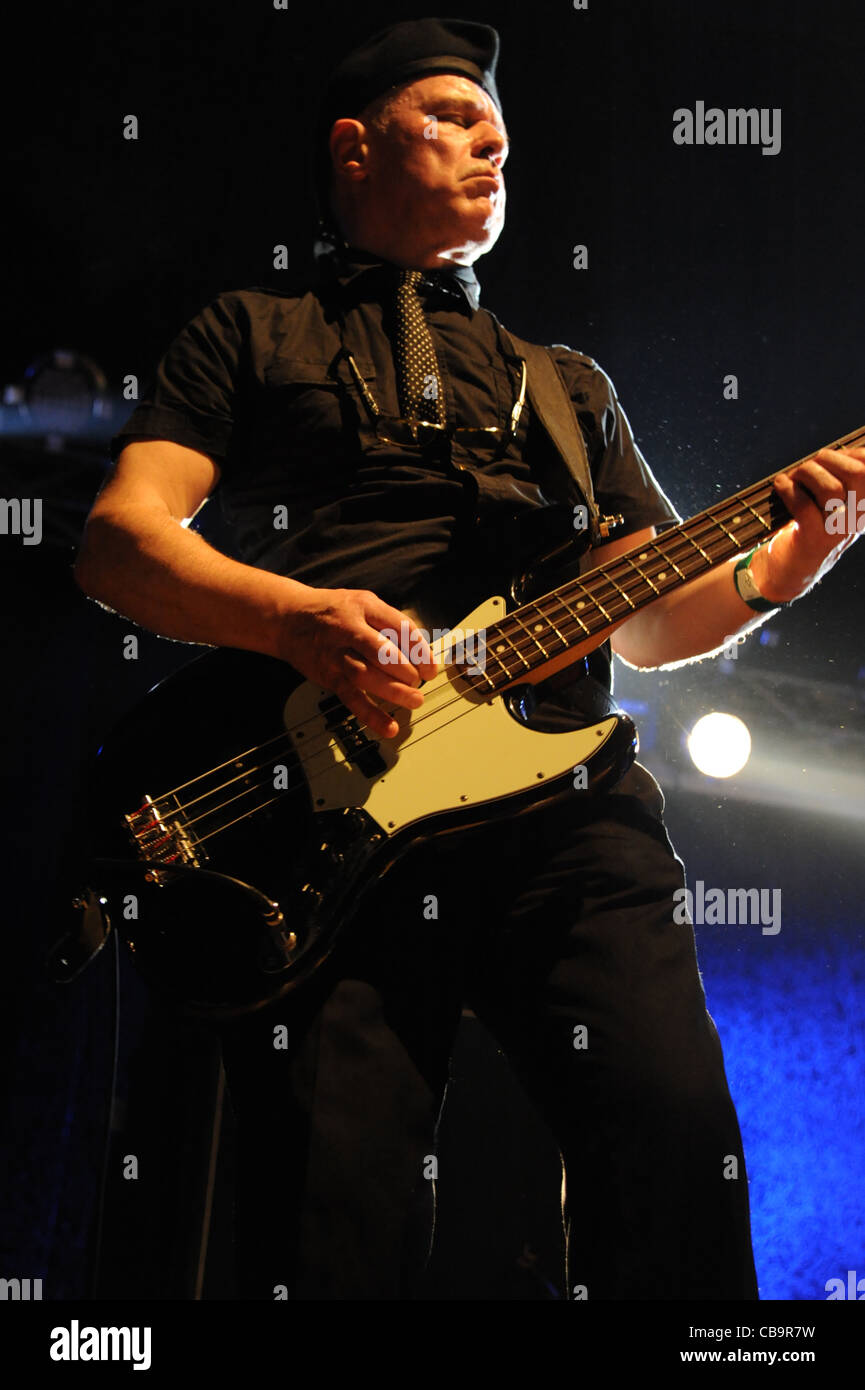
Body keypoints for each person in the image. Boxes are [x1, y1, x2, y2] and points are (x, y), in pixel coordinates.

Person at [74, 18, 863, 1300]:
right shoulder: (250, 329)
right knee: (337, 1208)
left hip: (566, 814)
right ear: (353, 147)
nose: (494, 140)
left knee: (674, 1139)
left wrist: (789, 561)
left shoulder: (567, 385)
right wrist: (294, 621)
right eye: (452, 116)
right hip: (332, 810)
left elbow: (652, 619)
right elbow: (119, 543)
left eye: (500, 126)